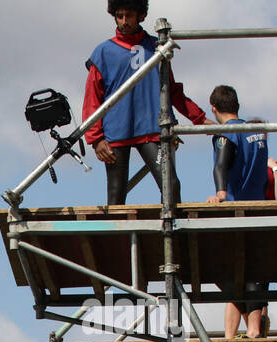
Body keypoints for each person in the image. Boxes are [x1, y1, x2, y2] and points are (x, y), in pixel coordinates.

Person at [84, 1, 208, 204]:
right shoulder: (103, 52)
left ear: (141, 15)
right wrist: (96, 139)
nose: (124, 21)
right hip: (115, 133)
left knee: (171, 186)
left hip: (152, 129)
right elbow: (92, 99)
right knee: (116, 200)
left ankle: (170, 235)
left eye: (129, 15)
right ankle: (118, 237)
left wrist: (200, 120)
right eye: (119, 16)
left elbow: (173, 91)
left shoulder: (157, 48)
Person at [205, 92, 273, 339]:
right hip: (260, 208)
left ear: (214, 108)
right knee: (256, 271)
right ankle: (254, 329)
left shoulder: (228, 132)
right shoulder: (256, 134)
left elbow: (221, 164)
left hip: (236, 209)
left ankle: (231, 335)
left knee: (231, 275)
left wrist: (220, 193)